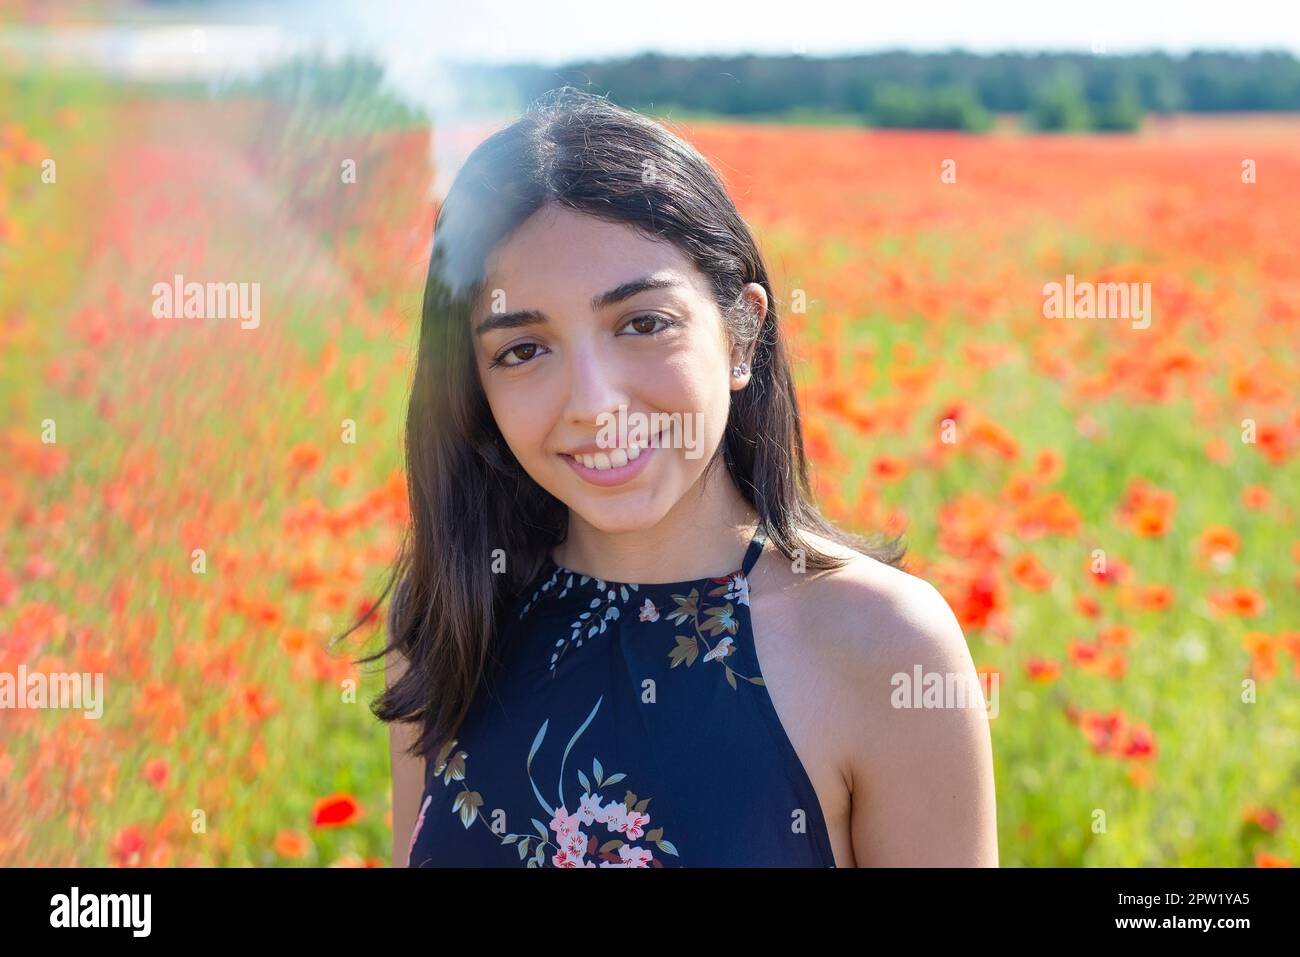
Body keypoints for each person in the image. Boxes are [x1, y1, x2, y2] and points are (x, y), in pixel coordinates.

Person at [357, 87, 997, 867]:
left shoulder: (884, 646)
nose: (594, 406)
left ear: (742, 333)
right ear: (477, 387)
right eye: (523, 349)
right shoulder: (448, 623)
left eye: (642, 323)